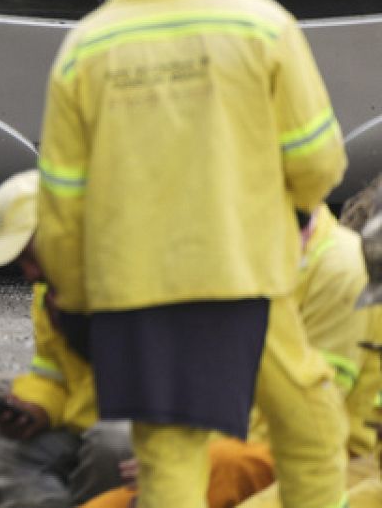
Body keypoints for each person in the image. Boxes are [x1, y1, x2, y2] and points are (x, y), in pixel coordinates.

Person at [36, 0, 349, 508]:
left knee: (169, 454)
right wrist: (288, 215)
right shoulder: (263, 26)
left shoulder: (86, 49)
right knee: (310, 425)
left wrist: (74, 295)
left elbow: (63, 202)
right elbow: (318, 162)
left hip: (135, 290)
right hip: (247, 276)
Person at [78, 201, 375, 508]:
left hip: (296, 450)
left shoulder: (340, 269)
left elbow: (309, 416)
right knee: (112, 447)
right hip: (236, 440)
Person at [0, 171, 132, 508]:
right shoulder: (48, 294)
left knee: (113, 441)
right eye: (20, 263)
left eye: (31, 255)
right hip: (83, 428)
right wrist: (35, 408)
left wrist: (88, 327)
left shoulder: (136, 280)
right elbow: (52, 375)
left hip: (141, 435)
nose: (30, 273)